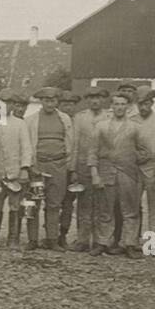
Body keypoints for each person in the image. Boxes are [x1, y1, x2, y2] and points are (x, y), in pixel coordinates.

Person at [88, 92, 141, 257]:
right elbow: (93, 151)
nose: (119, 107)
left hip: (128, 173)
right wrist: (95, 173)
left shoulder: (135, 127)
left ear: (128, 107)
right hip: (106, 173)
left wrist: (130, 159)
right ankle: (102, 242)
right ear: (111, 106)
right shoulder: (101, 126)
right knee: (105, 209)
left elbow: (145, 151)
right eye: (116, 104)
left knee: (130, 210)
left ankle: (130, 244)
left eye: (123, 104)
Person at [24, 86, 74, 250]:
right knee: (33, 202)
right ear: (41, 101)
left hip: (58, 165)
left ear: (57, 101)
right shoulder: (31, 119)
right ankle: (32, 240)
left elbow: (70, 142)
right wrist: (31, 165)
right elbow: (27, 145)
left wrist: (67, 164)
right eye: (46, 100)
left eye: (52, 100)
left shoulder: (64, 119)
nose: (49, 104)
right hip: (38, 165)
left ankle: (52, 239)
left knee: (54, 203)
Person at [0, 88, 32, 250]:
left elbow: (26, 148)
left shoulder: (20, 124)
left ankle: (13, 238)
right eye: (2, 103)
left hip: (15, 174)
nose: (5, 106)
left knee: (16, 207)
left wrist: (24, 168)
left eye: (9, 103)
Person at [131, 86, 155, 256]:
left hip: (153, 169)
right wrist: (136, 155)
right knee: (133, 207)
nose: (143, 107)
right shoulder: (130, 121)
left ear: (152, 103)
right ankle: (132, 242)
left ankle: (153, 245)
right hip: (134, 169)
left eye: (146, 103)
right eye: (140, 104)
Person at [69, 87, 107, 252]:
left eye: (98, 98)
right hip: (83, 164)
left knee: (101, 204)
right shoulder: (80, 118)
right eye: (91, 98)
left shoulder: (109, 117)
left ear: (103, 99)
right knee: (84, 203)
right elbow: (75, 144)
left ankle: (100, 240)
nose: (94, 101)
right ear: (87, 100)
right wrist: (73, 169)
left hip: (102, 166)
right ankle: (83, 239)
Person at [57, 90, 82, 246]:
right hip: (56, 166)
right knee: (52, 202)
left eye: (71, 104)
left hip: (72, 168)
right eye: (65, 104)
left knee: (68, 202)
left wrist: (74, 170)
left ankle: (63, 234)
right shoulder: (55, 120)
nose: (68, 107)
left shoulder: (79, 122)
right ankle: (51, 233)